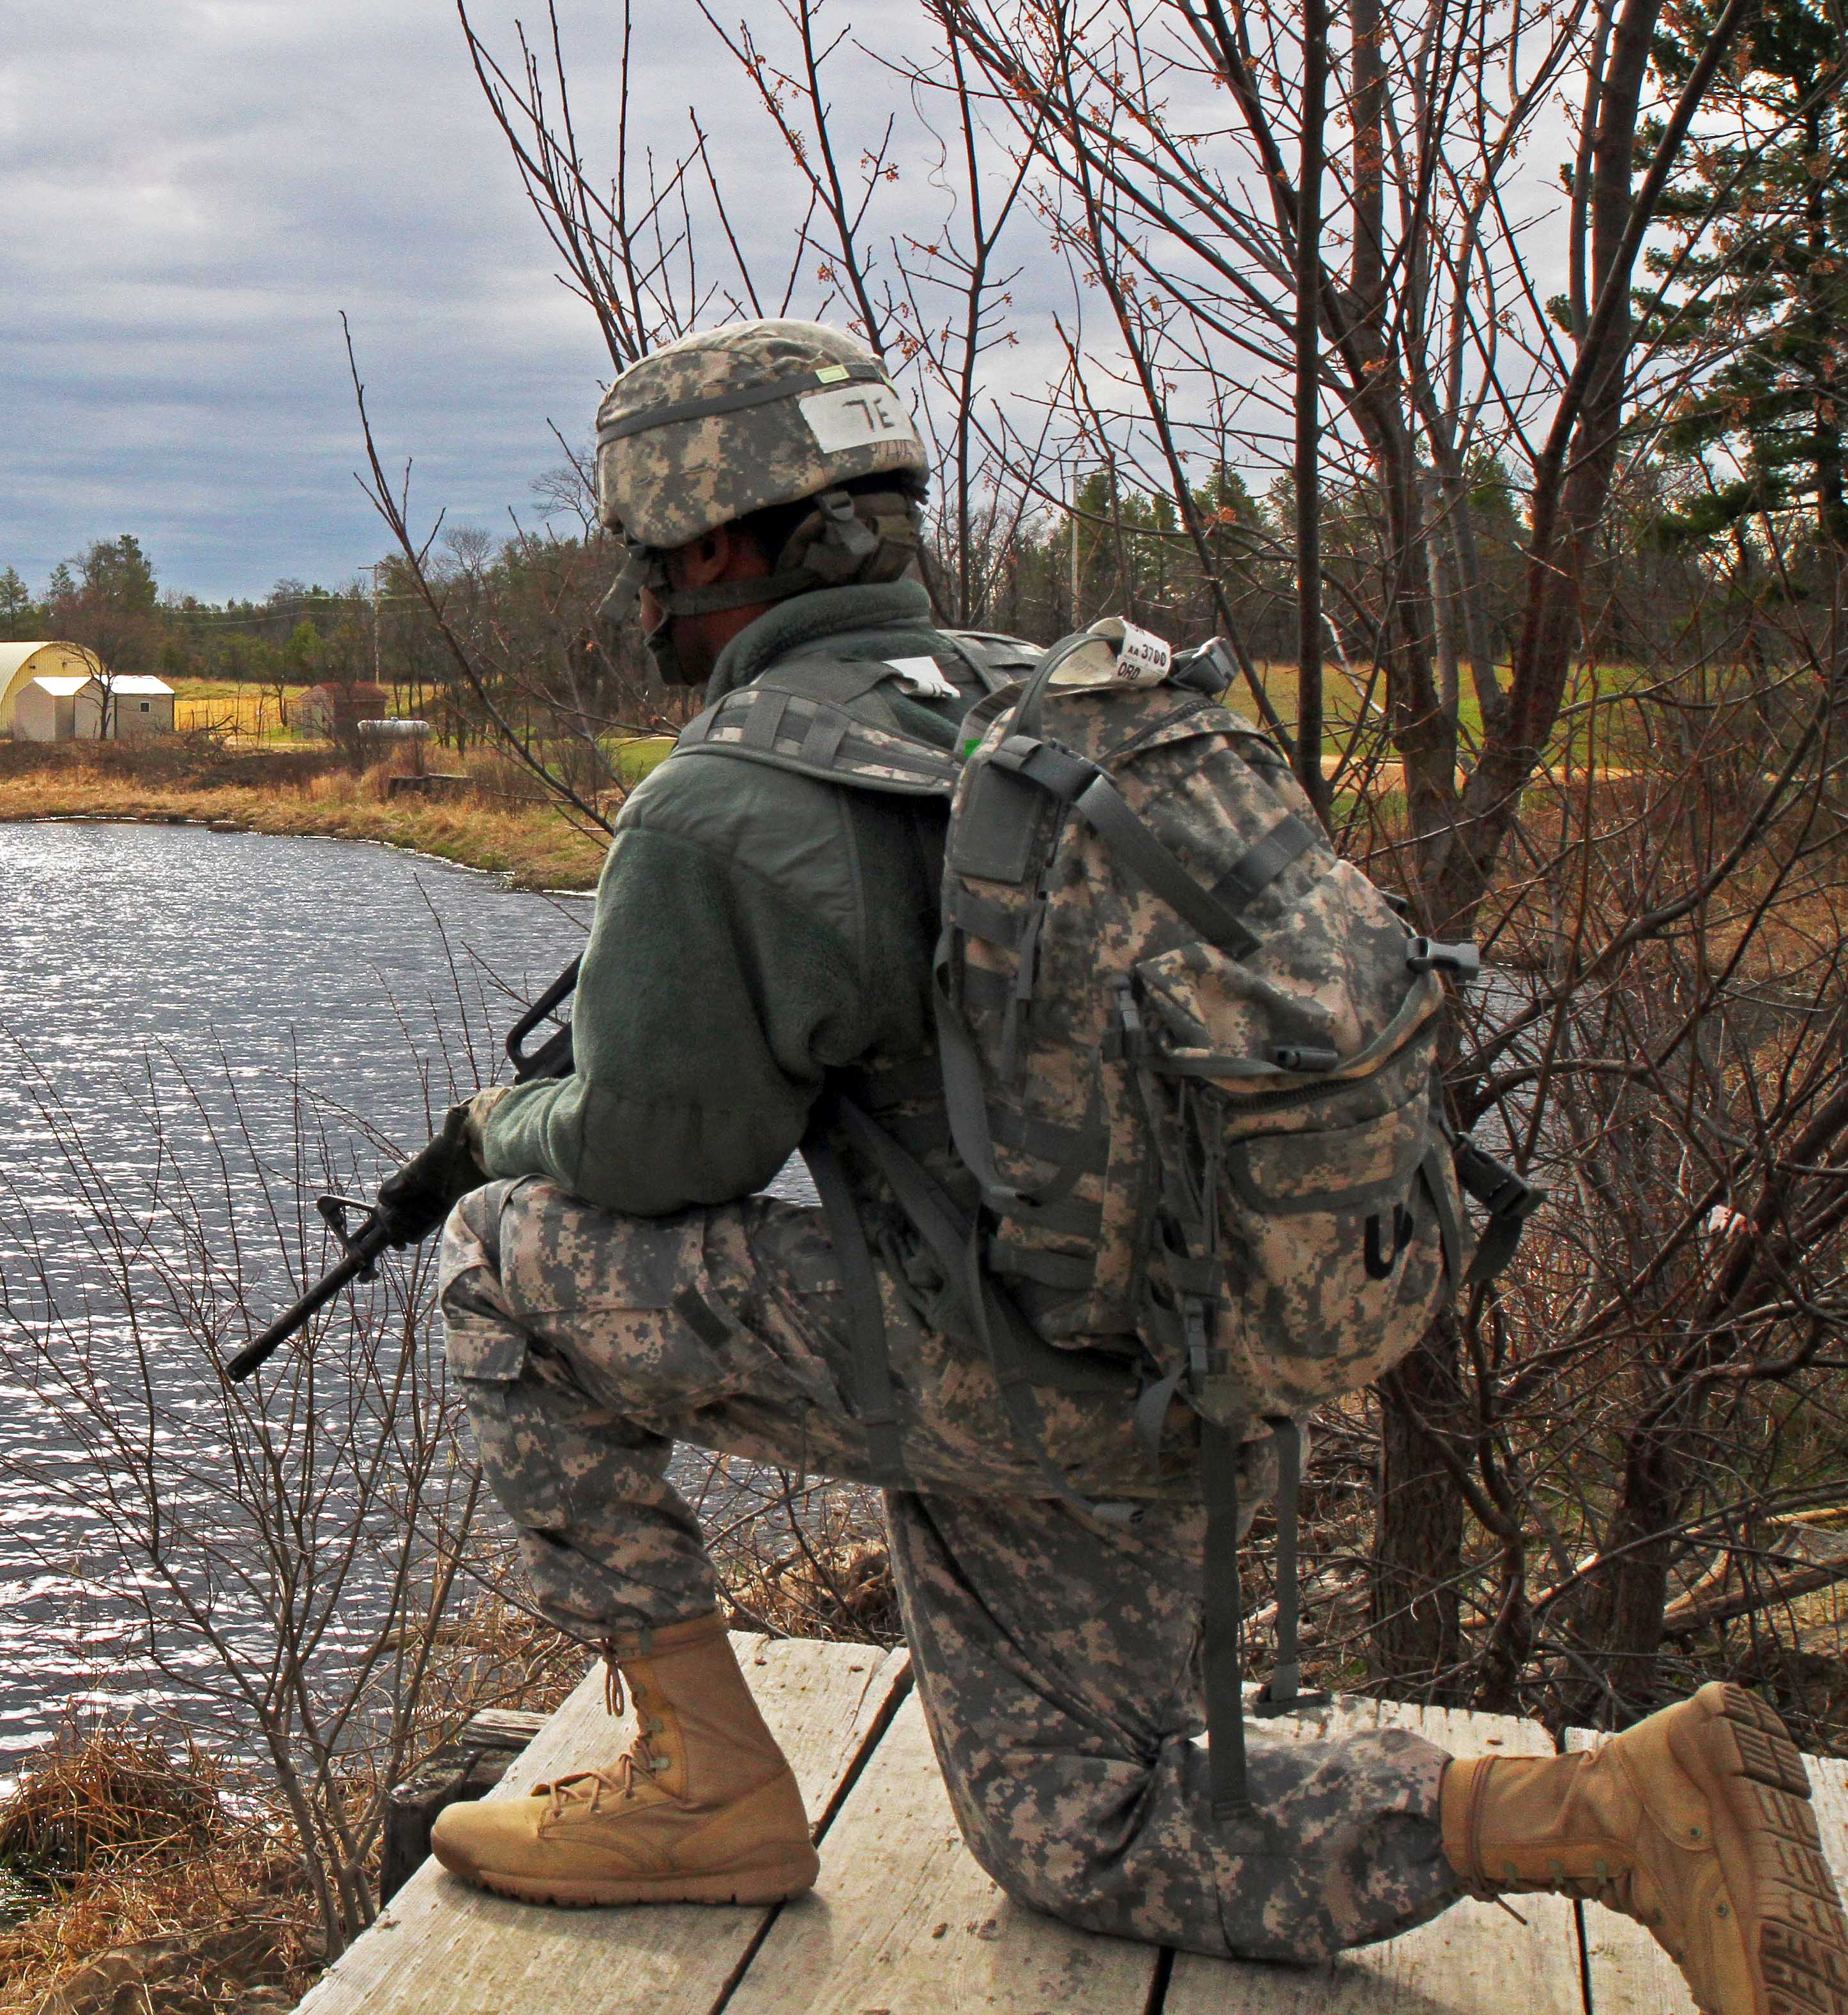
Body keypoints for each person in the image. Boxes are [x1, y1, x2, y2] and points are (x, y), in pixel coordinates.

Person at [400, 318, 1848, 2015]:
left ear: (716, 538)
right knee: (1087, 1830)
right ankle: (1606, 1807)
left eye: (646, 546)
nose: (639, 584)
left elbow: (658, 1154)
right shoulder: (1052, 690)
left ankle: (700, 1780)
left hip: (1027, 1365)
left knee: (505, 1254)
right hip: (1203, 1346)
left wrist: (504, 1129)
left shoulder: (720, 803)